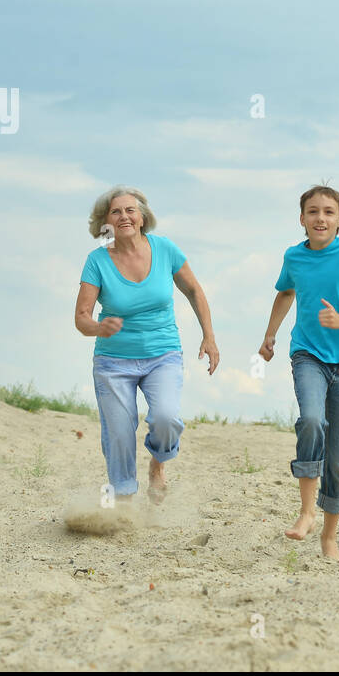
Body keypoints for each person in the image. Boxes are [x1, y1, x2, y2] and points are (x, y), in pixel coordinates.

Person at [259, 185, 339, 561]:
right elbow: (285, 292)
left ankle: (329, 537)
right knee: (312, 420)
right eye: (313, 212)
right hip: (307, 355)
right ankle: (306, 512)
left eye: (329, 212)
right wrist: (270, 335)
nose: (320, 218)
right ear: (302, 219)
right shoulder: (294, 257)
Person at [74, 186, 219, 504]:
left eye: (130, 210)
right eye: (116, 211)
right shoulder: (97, 261)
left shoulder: (165, 249)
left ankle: (158, 466)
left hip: (162, 354)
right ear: (105, 222)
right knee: (120, 435)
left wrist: (208, 337)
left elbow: (194, 290)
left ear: (142, 217)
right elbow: (81, 317)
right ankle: (125, 502)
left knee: (166, 419)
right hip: (113, 361)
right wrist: (99, 327)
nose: (124, 216)